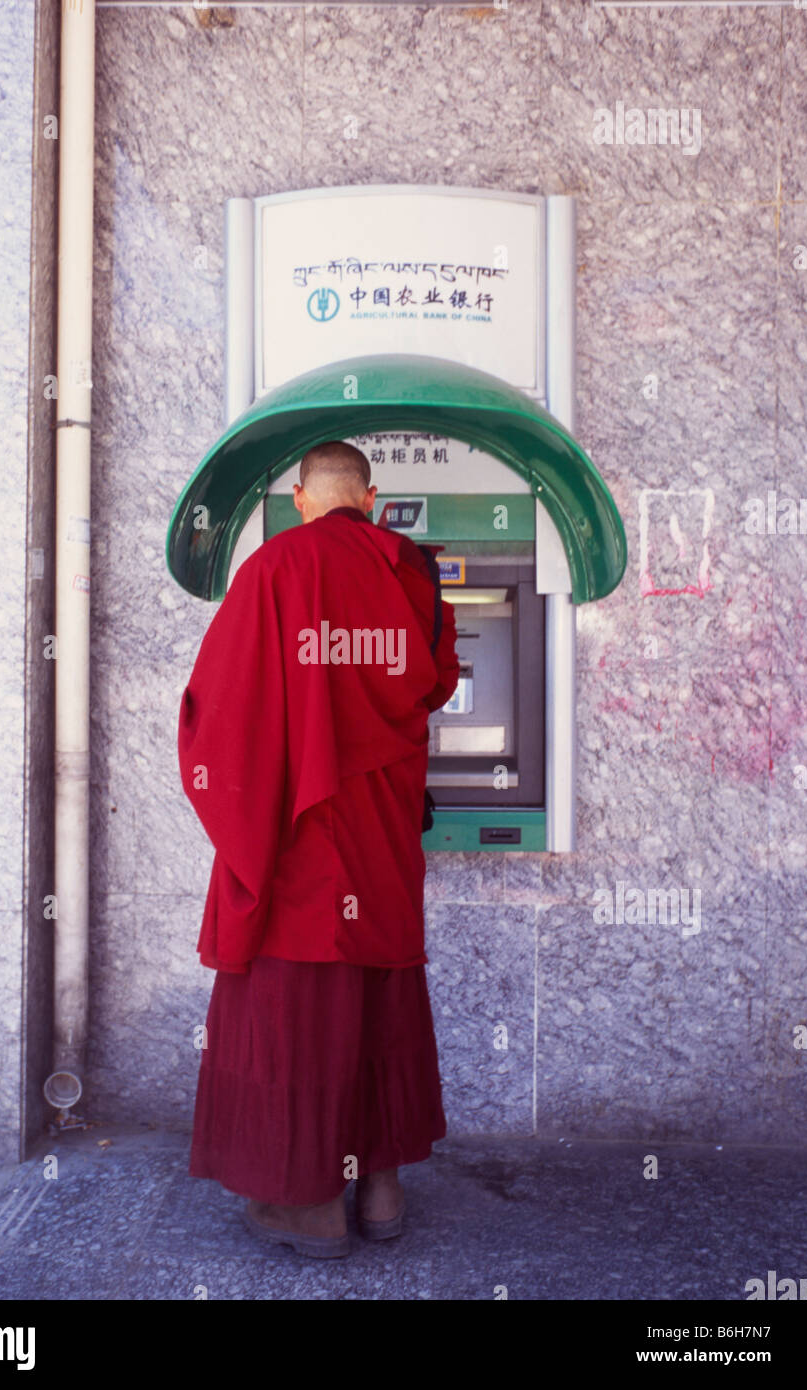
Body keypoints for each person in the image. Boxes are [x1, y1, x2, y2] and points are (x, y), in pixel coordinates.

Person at [177, 439, 460, 1258]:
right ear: (369, 500)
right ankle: (377, 1191)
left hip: (300, 840)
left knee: (298, 1006)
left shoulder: (273, 568)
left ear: (301, 499)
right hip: (381, 831)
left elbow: (220, 708)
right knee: (381, 998)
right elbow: (437, 683)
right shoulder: (414, 572)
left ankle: (306, 1205)